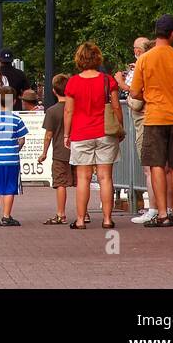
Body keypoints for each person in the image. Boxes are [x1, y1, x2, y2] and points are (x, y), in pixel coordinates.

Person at [129, 15, 173, 227]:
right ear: (172, 34)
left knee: (157, 165)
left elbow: (134, 92)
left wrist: (149, 95)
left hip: (154, 118)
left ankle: (162, 214)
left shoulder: (144, 59)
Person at [63, 41, 122, 230]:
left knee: (83, 178)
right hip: (105, 131)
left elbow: (68, 112)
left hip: (81, 133)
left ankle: (80, 219)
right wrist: (119, 127)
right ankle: (107, 219)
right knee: (105, 177)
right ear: (97, 58)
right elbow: (115, 106)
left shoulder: (73, 82)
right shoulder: (107, 80)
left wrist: (66, 134)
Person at [115, 36, 156, 223]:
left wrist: (123, 86)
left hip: (145, 122)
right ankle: (168, 208)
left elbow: (137, 102)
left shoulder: (144, 68)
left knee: (150, 169)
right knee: (165, 169)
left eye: (135, 48)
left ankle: (155, 209)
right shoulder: (156, 65)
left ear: (140, 50)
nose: (134, 51)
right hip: (161, 119)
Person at [0, 86, 28, 226]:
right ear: (14, 101)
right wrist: (16, 149)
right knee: (10, 188)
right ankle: (6, 216)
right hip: (12, 160)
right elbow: (22, 139)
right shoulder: (17, 120)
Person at [39, 74, 75, 224]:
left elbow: (49, 135)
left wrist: (44, 152)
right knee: (81, 182)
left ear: (54, 91)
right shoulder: (76, 108)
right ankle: (84, 213)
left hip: (60, 152)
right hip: (78, 150)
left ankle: (61, 214)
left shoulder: (52, 111)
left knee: (60, 183)